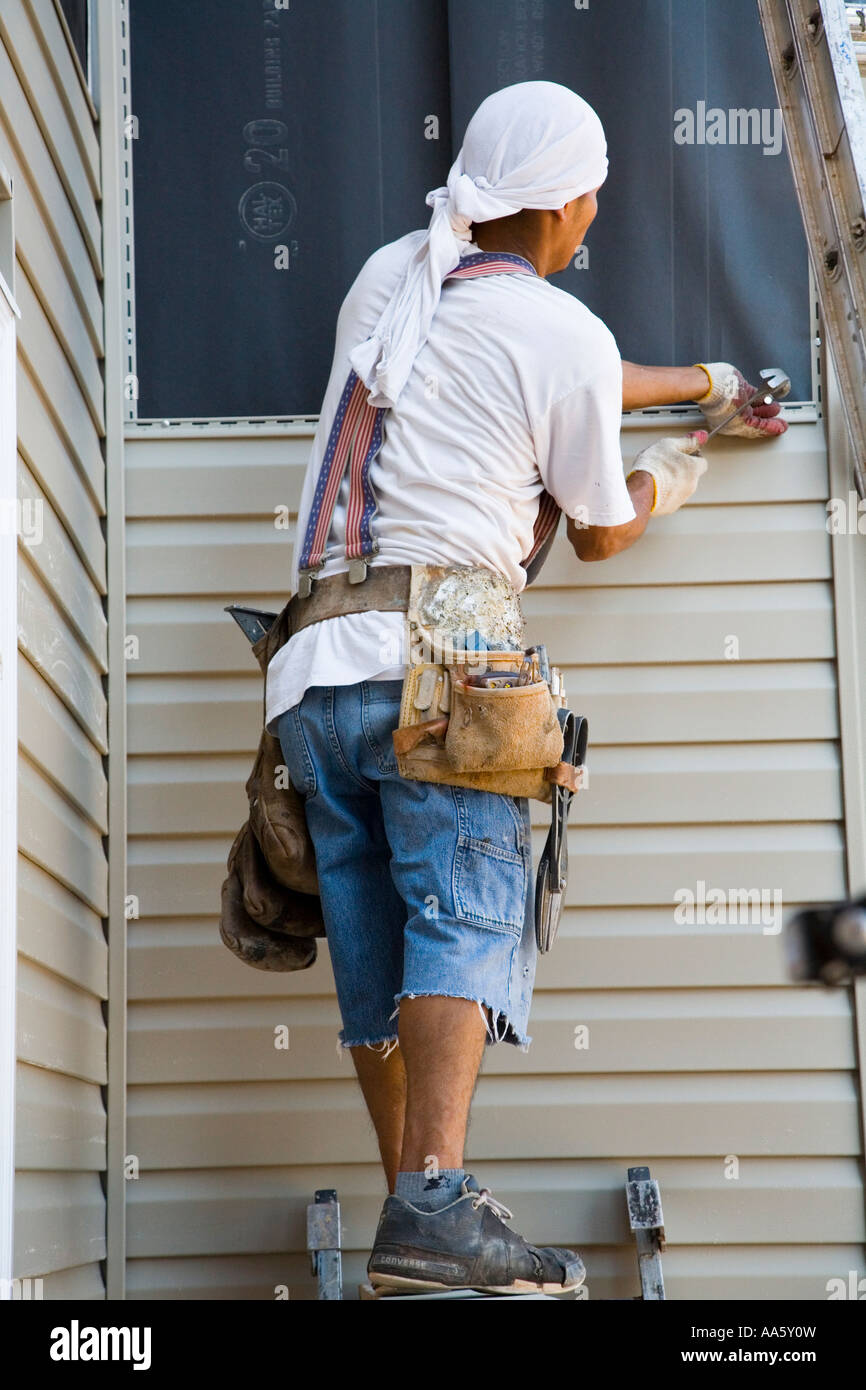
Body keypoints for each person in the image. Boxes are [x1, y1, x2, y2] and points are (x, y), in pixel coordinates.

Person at [266, 81, 785, 1297]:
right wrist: (670, 476)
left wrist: (696, 376)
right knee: (461, 914)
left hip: (316, 668)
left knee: (377, 953)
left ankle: (411, 1220)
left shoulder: (392, 276)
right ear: (563, 203)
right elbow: (596, 525)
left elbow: (538, 373)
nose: (593, 213)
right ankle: (438, 1200)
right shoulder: (562, 334)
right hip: (439, 665)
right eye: (591, 193)